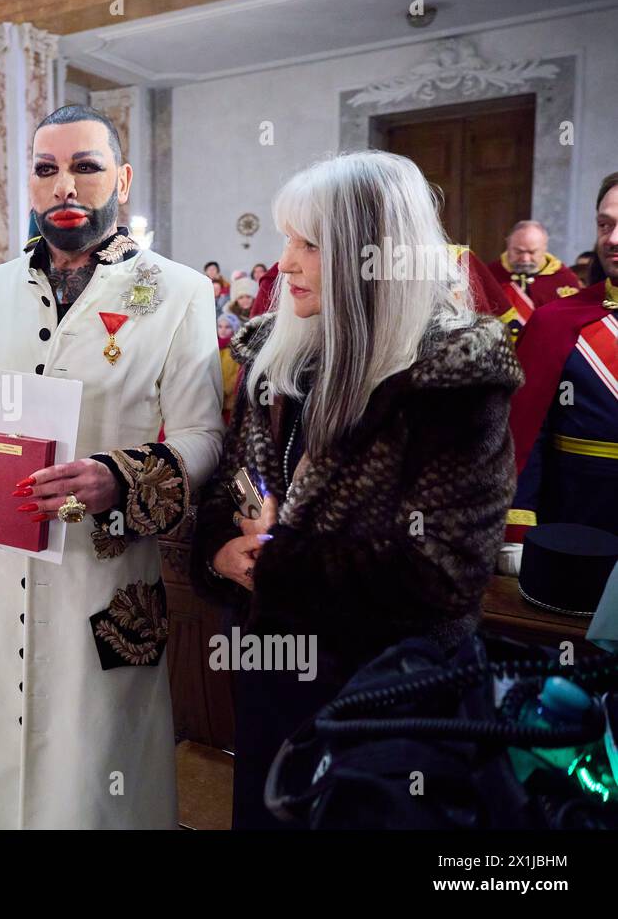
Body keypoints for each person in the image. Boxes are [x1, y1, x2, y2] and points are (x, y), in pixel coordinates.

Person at [190, 151, 521, 829]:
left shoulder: (451, 379)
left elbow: (443, 570)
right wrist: (220, 551)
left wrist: (274, 567)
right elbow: (231, 491)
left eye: (310, 244)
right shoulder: (277, 360)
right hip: (274, 678)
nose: (285, 263)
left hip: (383, 696)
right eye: (287, 240)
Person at [0, 104, 224, 829]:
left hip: (103, 581)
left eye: (84, 167)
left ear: (120, 178)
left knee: (91, 774)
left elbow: (205, 434)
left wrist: (120, 477)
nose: (65, 186)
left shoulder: (177, 292)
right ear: (29, 182)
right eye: (46, 168)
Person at [505, 172, 618, 548]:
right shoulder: (555, 321)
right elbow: (524, 438)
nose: (613, 239)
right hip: (574, 527)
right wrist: (517, 534)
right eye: (605, 224)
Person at [486, 220, 582, 309]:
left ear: (544, 248)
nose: (525, 259)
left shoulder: (565, 279)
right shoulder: (489, 274)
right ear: (508, 245)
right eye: (518, 251)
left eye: (532, 252)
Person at [216, 310, 242, 424]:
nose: (223, 330)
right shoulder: (213, 346)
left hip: (227, 405)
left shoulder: (235, 350)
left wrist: (220, 392)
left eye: (227, 327)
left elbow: (234, 377)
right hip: (211, 402)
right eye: (220, 326)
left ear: (234, 329)